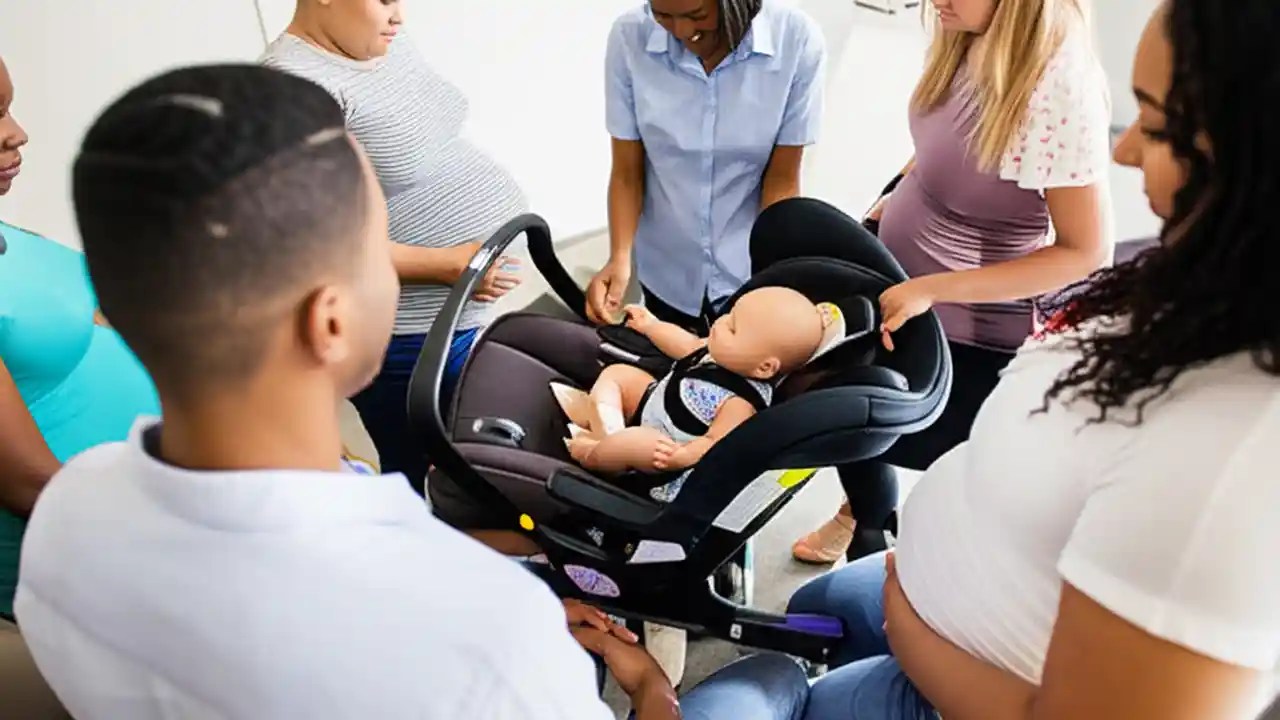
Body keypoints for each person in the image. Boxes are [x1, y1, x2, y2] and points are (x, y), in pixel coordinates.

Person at [14, 64, 809, 720]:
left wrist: (481, 585)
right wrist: (645, 688)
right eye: (383, 242)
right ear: (329, 320)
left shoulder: (65, 522)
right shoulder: (486, 643)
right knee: (769, 685)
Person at [789, 1, 1280, 717]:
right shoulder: (1187, 286)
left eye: (1158, 123)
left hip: (943, 648)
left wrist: (908, 624)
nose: (1118, 152)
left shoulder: (1239, 458)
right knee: (808, 607)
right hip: (940, 579)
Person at [793, 0, 1114, 563]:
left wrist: (933, 288)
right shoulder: (963, 27)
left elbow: (1085, 253)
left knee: (869, 426)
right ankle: (864, 511)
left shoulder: (1060, 86)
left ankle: (878, 535)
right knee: (841, 402)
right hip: (896, 279)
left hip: (967, 330)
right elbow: (942, 150)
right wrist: (883, 205)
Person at [262, 0, 527, 493]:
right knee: (426, 481)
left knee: (482, 469)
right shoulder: (291, 86)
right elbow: (313, 240)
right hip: (407, 333)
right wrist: (446, 264)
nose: (399, 15)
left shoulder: (380, 38)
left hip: (463, 313)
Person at [0, 54, 157, 720]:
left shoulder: (8, 232)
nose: (18, 133)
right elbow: (29, 483)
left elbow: (96, 317)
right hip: (97, 567)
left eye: (8, 106)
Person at [586, 0, 826, 332]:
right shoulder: (630, 36)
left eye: (697, 15)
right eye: (663, 16)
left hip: (747, 267)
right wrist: (619, 256)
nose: (681, 31)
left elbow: (782, 181)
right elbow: (627, 172)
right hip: (666, 267)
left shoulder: (796, 40)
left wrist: (775, 279)